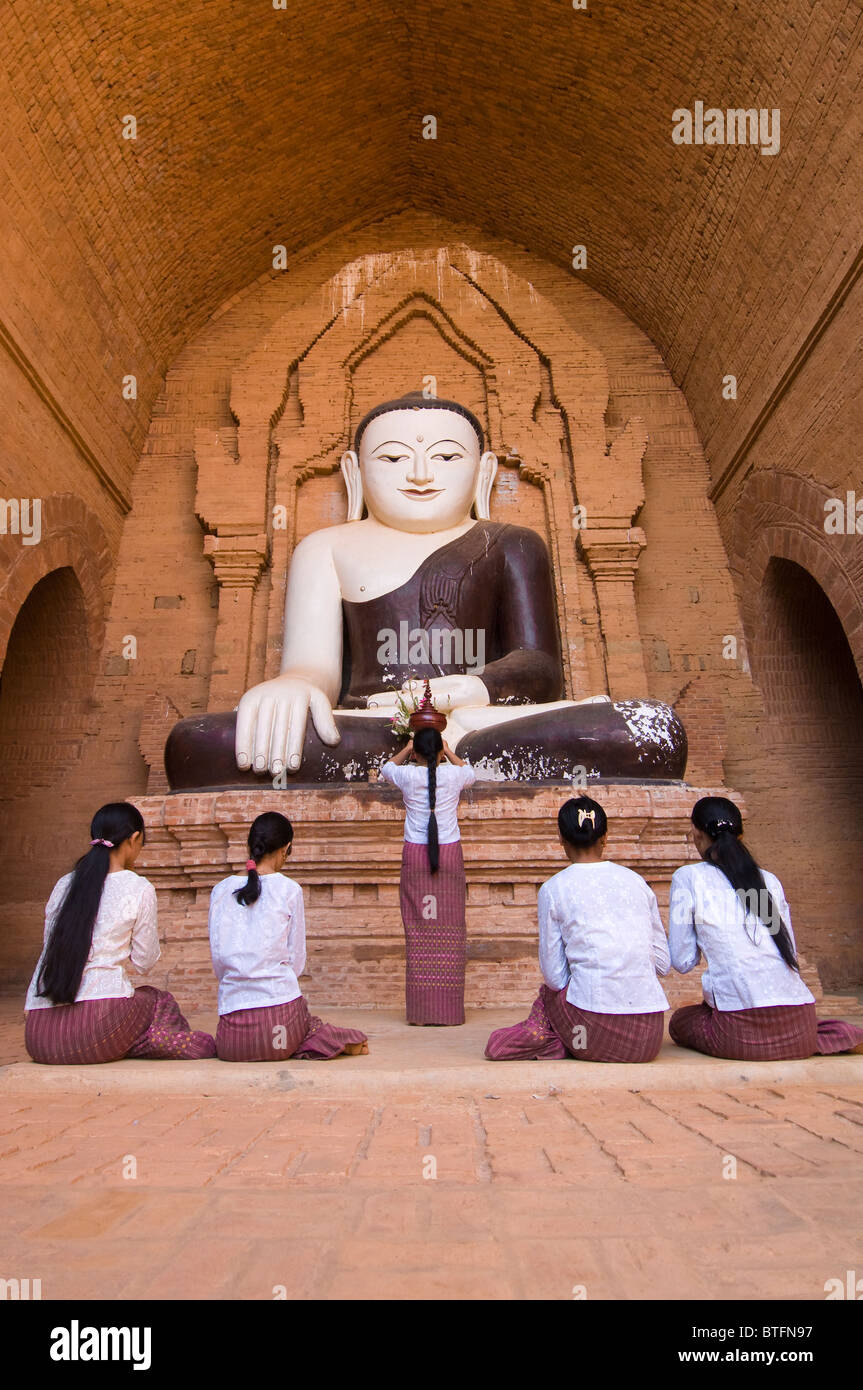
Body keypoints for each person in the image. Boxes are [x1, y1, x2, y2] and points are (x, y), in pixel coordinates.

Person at [166, 393, 686, 788]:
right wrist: (295, 686)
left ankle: (461, 739)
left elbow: (539, 668)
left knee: (649, 729)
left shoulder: (511, 543)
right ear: (355, 473)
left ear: (483, 473)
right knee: (201, 745)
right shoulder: (326, 546)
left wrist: (452, 695)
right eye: (391, 459)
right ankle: (461, 751)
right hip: (372, 724)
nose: (419, 475)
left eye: (445, 457)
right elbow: (314, 670)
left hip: (482, 715)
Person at [668, 796, 863, 1060]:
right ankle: (803, 1040)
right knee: (815, 1027)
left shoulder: (688, 878)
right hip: (799, 1020)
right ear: (741, 834)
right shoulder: (769, 881)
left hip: (738, 1033)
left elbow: (682, 960)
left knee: (680, 1021)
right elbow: (789, 950)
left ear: (697, 834)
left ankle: (772, 1041)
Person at [24, 802, 215, 1064]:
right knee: (158, 1000)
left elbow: (49, 948)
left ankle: (132, 1039)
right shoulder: (137, 887)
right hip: (97, 1028)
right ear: (135, 838)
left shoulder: (64, 884)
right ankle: (146, 1040)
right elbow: (144, 962)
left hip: (39, 1036)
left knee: (131, 1014)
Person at [485, 796, 669, 1062]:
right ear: (605, 837)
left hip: (591, 1034)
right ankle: (561, 1041)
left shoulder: (554, 888)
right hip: (648, 1038)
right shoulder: (637, 882)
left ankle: (552, 1040)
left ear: (561, 838)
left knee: (549, 993)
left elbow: (555, 979)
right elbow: (662, 964)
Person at [208, 811, 368, 1061]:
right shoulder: (289, 890)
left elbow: (220, 964)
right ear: (286, 849)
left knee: (299, 1026)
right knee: (309, 1025)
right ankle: (316, 1040)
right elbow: (296, 963)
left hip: (232, 1041)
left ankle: (305, 1038)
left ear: (248, 846)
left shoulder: (220, 891)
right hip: (280, 1026)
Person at [379, 728, 476, 1024]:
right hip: (448, 854)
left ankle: (422, 1013)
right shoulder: (453, 776)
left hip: (416, 855)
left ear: (416, 754)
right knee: (451, 930)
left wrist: (407, 749)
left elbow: (386, 769)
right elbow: (470, 771)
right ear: (439, 752)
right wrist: (447, 751)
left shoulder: (407, 776)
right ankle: (448, 1012)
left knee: (418, 930)